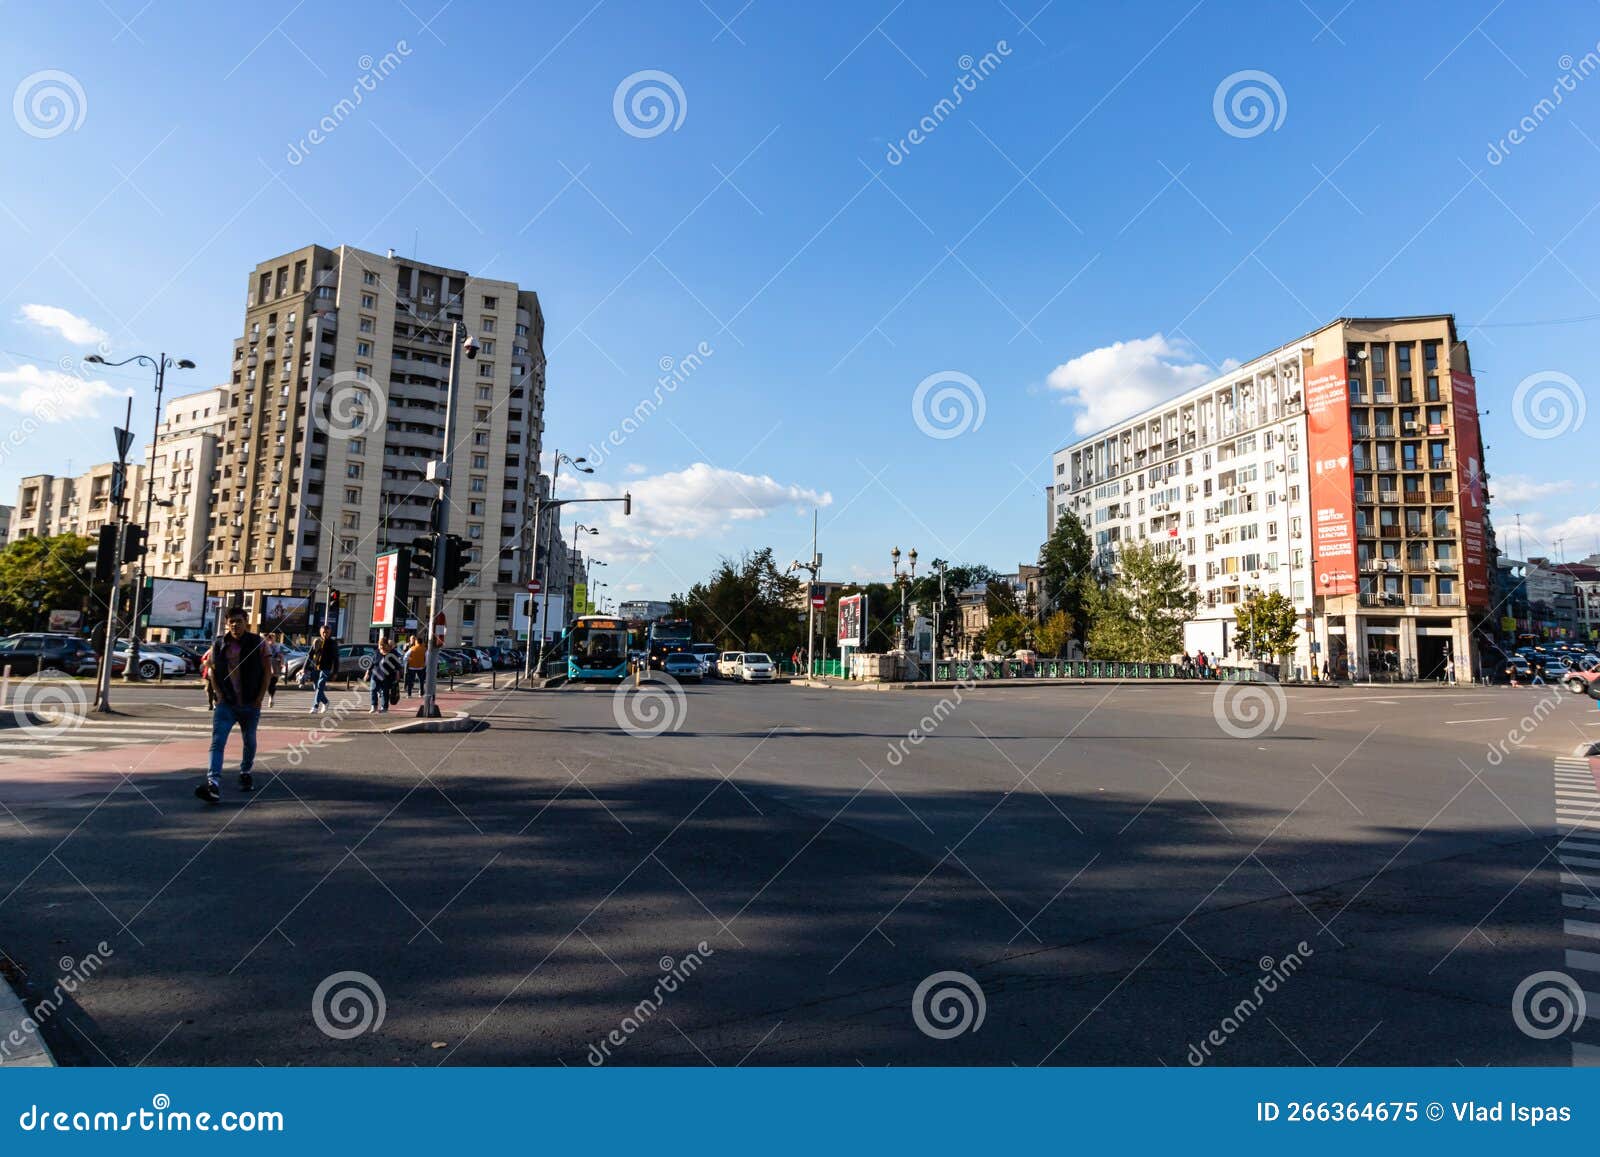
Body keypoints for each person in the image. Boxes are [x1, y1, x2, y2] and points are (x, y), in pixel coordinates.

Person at [196, 606, 272, 804]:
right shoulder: (219, 644)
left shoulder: (258, 643)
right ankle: (213, 784)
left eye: (239, 621)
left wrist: (260, 698)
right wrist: (219, 694)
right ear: (226, 624)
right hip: (226, 704)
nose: (235, 625)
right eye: (231, 622)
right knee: (217, 741)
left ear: (246, 621)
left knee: (249, 740)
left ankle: (245, 771)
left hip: (250, 702)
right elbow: (211, 669)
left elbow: (267, 672)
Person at [306, 624, 340, 713]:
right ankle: (326, 702)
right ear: (320, 632)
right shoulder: (316, 641)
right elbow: (309, 655)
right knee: (316, 687)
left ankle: (315, 706)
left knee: (320, 685)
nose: (325, 634)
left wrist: (335, 672)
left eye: (327, 632)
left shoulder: (333, 643)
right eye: (323, 632)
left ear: (330, 633)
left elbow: (336, 658)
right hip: (316, 667)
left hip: (326, 668)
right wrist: (304, 668)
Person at [368, 639, 404, 714]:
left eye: (382, 645)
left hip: (387, 676)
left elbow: (397, 665)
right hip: (376, 674)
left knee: (385, 691)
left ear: (386, 645)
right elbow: (372, 663)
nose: (381, 647)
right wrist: (368, 672)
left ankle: (384, 708)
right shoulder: (377, 652)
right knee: (373, 690)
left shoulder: (393, 653)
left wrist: (397, 674)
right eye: (380, 646)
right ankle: (373, 706)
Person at [263, 630, 283, 707]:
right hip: (265, 666)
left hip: (274, 666)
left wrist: (281, 662)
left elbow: (279, 655)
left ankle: (271, 698)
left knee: (272, 683)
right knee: (265, 684)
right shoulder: (262, 645)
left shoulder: (275, 646)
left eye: (272, 637)